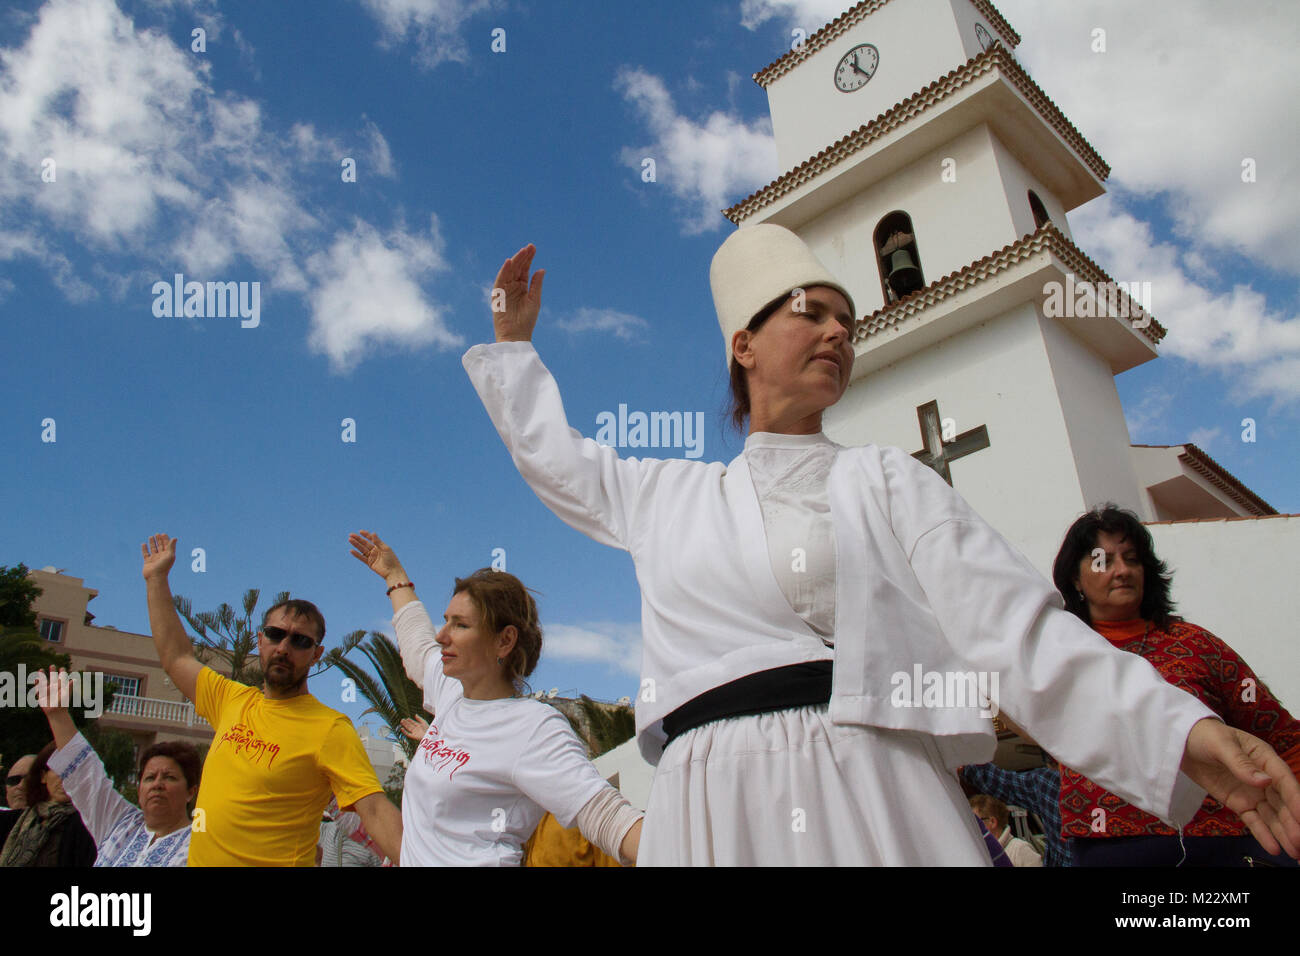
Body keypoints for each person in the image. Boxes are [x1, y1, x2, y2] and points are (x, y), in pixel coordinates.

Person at [460, 232, 1300, 865]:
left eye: (847, 322)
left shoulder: (887, 481)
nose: (837, 334)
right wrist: (514, 350)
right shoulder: (666, 495)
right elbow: (556, 461)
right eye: (812, 313)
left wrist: (1181, 734)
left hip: (870, 788)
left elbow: (1017, 629)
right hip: (709, 805)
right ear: (742, 346)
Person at [347, 531, 644, 866]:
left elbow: (603, 814)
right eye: (445, 621)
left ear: (504, 641)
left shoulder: (533, 727)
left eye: (460, 625)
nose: (442, 636)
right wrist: (395, 577)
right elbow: (418, 646)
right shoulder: (452, 694)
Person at [1051, 504, 1300, 866]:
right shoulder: (1059, 657)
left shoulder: (1196, 644)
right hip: (1109, 848)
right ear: (1075, 578)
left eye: (1132, 559)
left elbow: (1282, 737)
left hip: (1225, 842)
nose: (1121, 571)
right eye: (1103, 560)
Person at [141, 533, 403, 866]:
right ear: (260, 640)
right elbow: (176, 657)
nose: (283, 647)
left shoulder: (330, 728)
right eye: (276, 635)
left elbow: (375, 809)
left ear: (316, 654)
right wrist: (156, 580)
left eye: (299, 641)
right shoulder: (230, 700)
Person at [30, 666, 200, 867]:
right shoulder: (120, 822)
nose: (157, 784)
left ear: (191, 791)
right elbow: (86, 774)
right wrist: (57, 715)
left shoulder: (200, 846)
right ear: (139, 789)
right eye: (149, 778)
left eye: (169, 777)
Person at [961, 757, 1071, 866]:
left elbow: (1001, 782)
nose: (973, 829)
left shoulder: (1019, 849)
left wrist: (961, 761)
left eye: (977, 823)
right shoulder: (1051, 784)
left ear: (993, 821)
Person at [0, 741, 96, 866]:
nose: (65, 778)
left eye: (73, 771)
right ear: (43, 776)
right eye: (59, 770)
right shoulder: (20, 819)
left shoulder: (86, 824)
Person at [970, 794, 1042, 866]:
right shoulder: (978, 854)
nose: (971, 828)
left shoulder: (1020, 850)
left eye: (975, 822)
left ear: (992, 822)